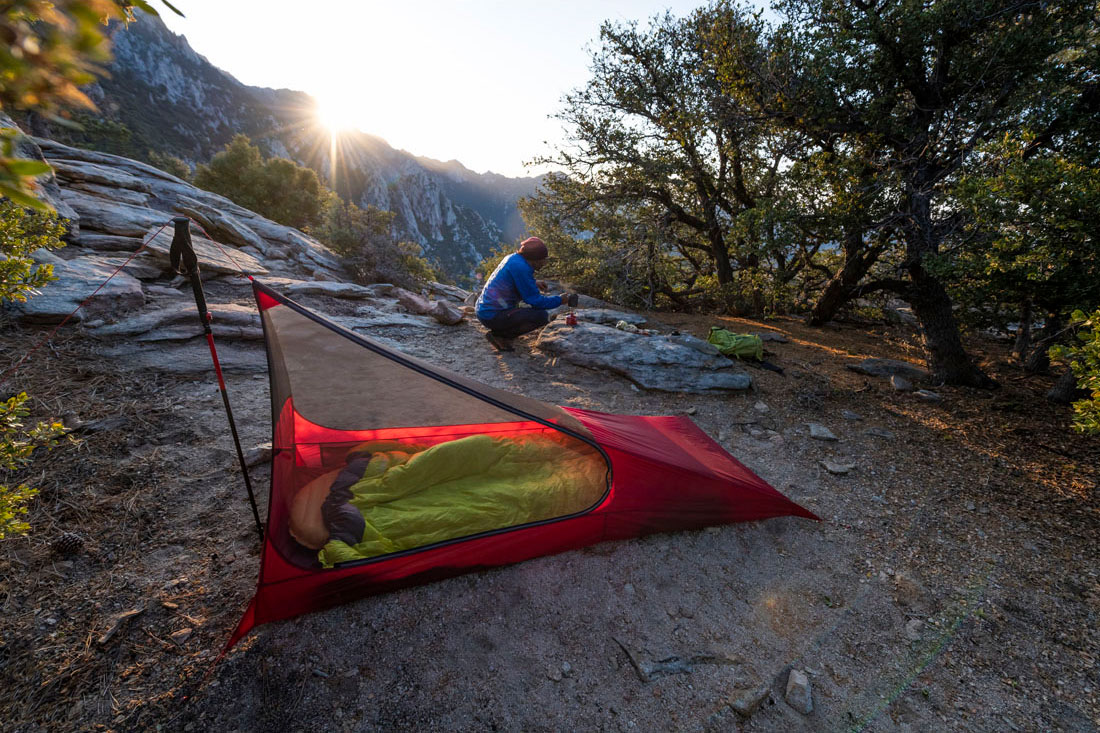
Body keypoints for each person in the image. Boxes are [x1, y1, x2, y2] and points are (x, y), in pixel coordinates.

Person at [476, 236, 578, 351]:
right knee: (540, 316)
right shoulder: (521, 268)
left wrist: (534, 282)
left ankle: (502, 330)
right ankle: (500, 335)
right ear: (535, 258)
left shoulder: (513, 258)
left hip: (484, 310)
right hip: (492, 315)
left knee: (530, 313)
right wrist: (560, 300)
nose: (544, 263)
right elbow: (535, 301)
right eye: (543, 259)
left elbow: (510, 279)